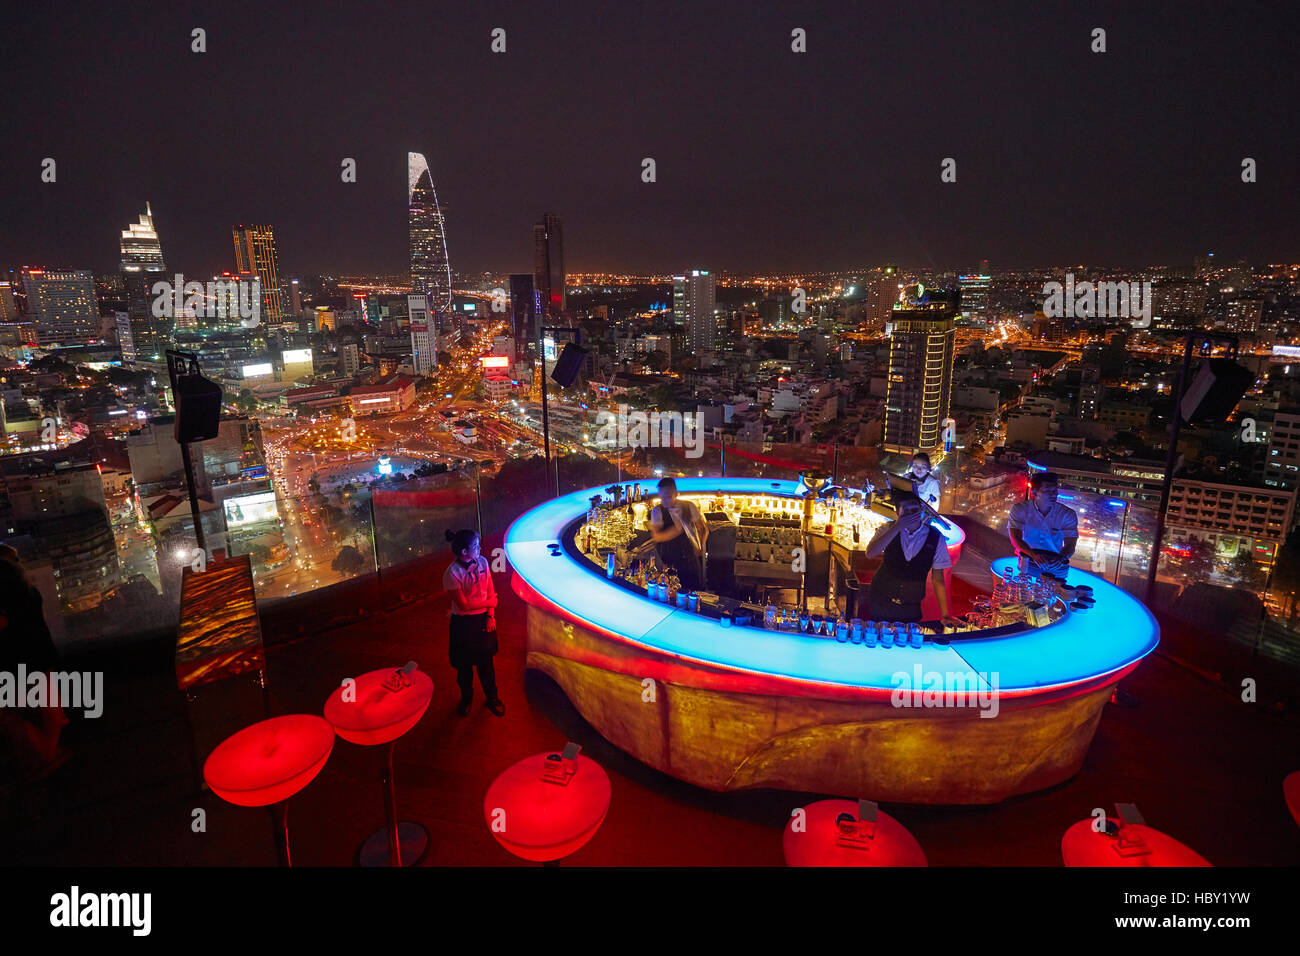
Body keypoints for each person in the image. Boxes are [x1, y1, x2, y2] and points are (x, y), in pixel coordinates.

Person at [865, 490, 960, 627]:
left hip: (911, 604)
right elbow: (870, 553)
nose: (911, 514)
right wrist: (898, 526)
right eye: (906, 511)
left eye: (914, 509)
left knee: (906, 640)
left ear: (921, 511)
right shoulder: (888, 529)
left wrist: (945, 615)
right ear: (898, 512)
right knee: (878, 637)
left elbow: (937, 578)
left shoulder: (935, 537)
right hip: (881, 597)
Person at [441, 529, 504, 717]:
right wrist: (490, 604)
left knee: (487, 664)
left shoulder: (483, 562)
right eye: (475, 546)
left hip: (483, 619)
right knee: (464, 667)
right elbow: (464, 605)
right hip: (463, 623)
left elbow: (491, 591)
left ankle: (492, 697)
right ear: (464, 552)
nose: (480, 548)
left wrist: (491, 615)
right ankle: (466, 699)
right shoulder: (452, 573)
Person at [1008, 472, 1078, 578]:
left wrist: (1061, 558)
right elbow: (1015, 539)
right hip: (1027, 561)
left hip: (1055, 565)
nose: (1053, 495)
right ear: (1034, 491)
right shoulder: (1020, 509)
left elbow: (1070, 545)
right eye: (1048, 491)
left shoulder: (1067, 514)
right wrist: (1033, 555)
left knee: (1056, 592)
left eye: (1055, 490)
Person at [649, 477, 707, 591]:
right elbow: (657, 536)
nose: (664, 501)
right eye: (662, 498)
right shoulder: (657, 511)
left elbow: (703, 529)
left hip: (690, 559)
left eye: (668, 497)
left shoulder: (689, 506)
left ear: (676, 493)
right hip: (669, 561)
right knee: (672, 594)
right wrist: (678, 528)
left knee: (695, 591)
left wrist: (701, 545)